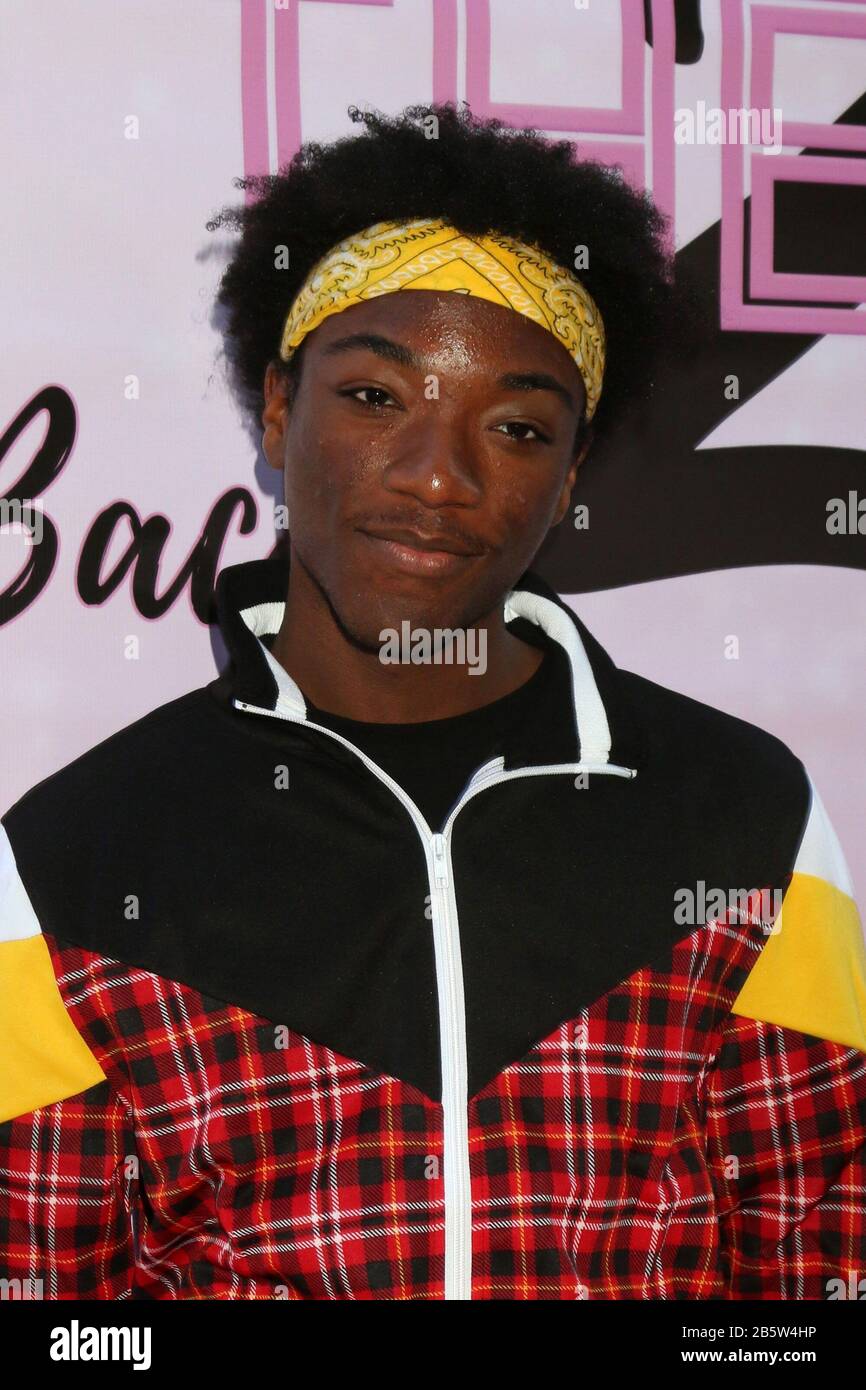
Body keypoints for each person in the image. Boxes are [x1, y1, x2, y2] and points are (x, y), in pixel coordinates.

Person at [1, 103, 864, 1302]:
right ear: (272, 406)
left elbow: (816, 1261)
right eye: (372, 399)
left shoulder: (741, 813)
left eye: (513, 427)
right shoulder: (72, 854)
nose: (437, 476)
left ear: (567, 477)